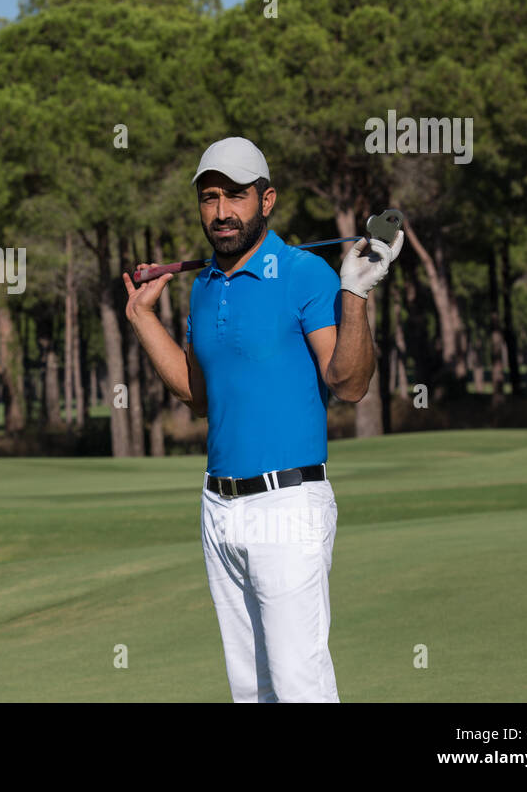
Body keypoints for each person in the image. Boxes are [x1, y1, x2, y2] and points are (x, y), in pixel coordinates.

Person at [123, 136, 404, 702]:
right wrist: (140, 316)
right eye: (209, 197)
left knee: (299, 685)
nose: (222, 211)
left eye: (236, 196)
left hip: (287, 503)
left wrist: (353, 294)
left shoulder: (305, 275)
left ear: (266, 200)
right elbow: (198, 396)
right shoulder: (203, 287)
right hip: (219, 508)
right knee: (251, 690)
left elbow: (349, 384)